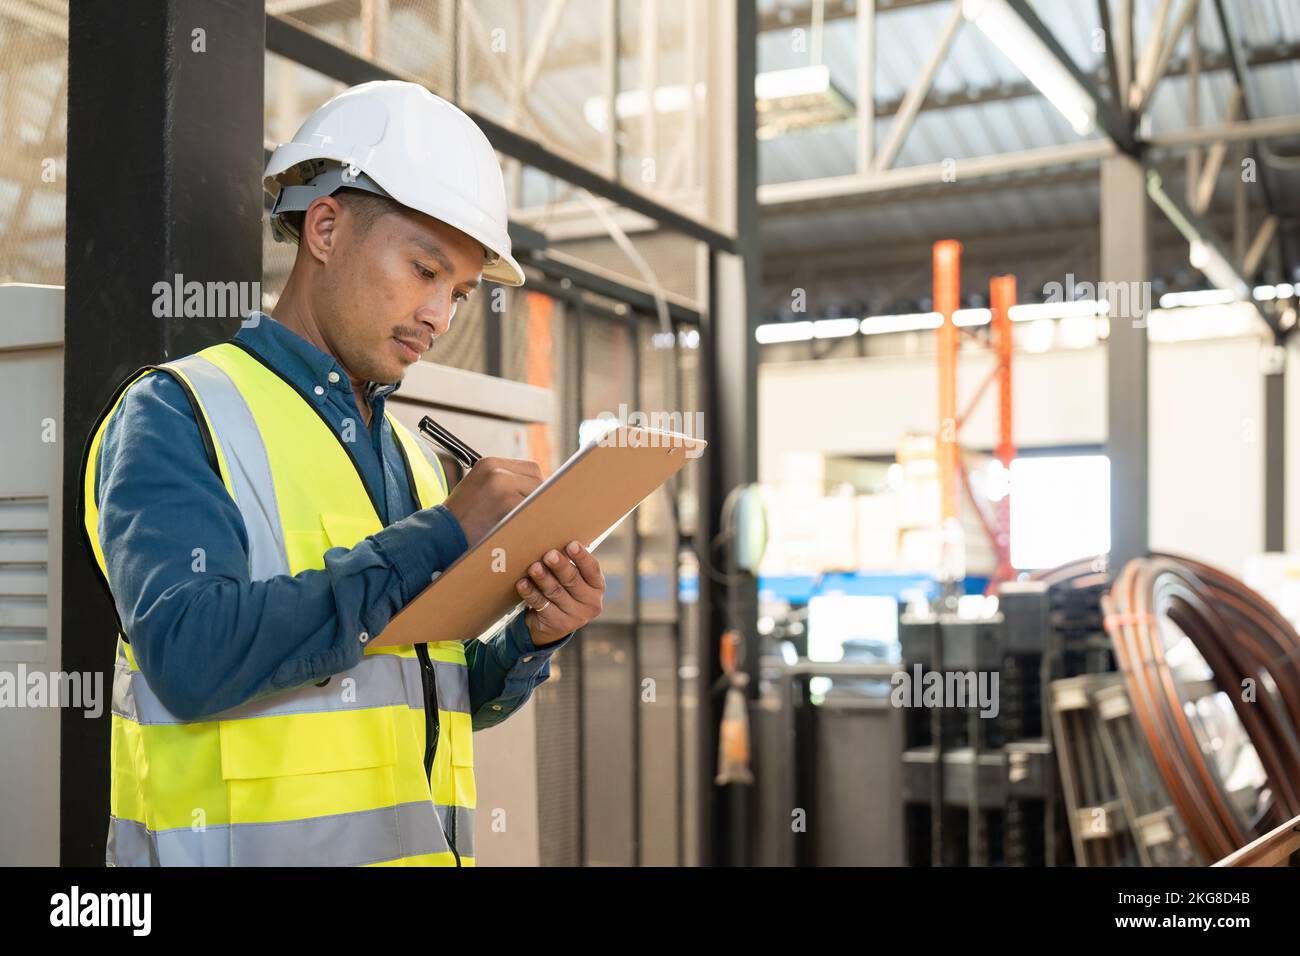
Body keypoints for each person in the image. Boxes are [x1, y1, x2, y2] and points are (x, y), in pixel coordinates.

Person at [81, 80, 605, 867]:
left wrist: (534, 634)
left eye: (458, 293)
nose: (441, 317)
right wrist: (446, 534)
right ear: (324, 227)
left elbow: (429, 691)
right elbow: (191, 658)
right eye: (424, 270)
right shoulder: (179, 413)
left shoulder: (416, 464)